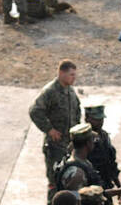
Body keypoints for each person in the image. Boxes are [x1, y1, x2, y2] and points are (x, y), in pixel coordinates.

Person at [29, 59, 82, 194]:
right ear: (61, 73)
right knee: (55, 179)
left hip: (69, 144)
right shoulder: (50, 91)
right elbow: (35, 111)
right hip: (55, 145)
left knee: (69, 178)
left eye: (75, 75)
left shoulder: (70, 91)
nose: (74, 78)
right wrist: (49, 129)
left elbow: (77, 111)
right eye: (71, 74)